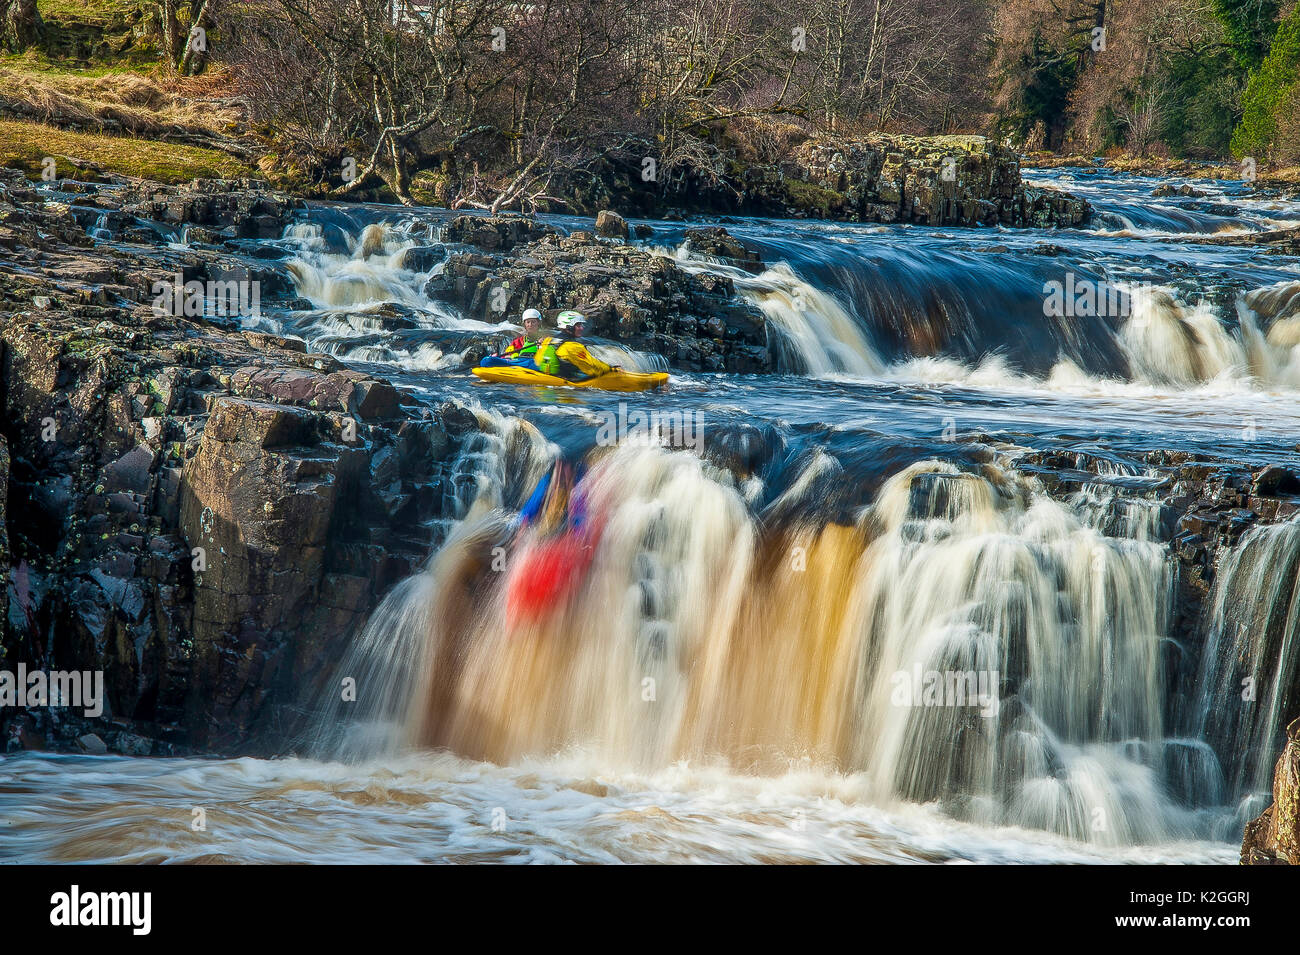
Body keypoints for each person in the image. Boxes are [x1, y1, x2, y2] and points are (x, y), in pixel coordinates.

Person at [534, 310, 621, 380]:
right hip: (567, 391)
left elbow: (537, 361)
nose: (582, 328)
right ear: (569, 327)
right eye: (578, 325)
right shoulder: (572, 347)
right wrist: (611, 369)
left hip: (548, 379)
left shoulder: (549, 340)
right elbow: (592, 366)